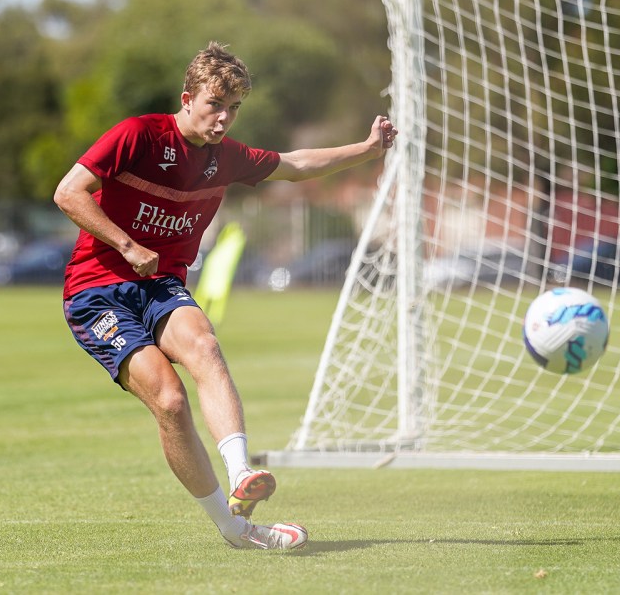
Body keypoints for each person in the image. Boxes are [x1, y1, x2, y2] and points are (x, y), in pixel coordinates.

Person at [53, 41, 398, 546]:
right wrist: (127, 244)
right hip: (95, 292)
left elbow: (296, 163)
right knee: (170, 402)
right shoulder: (138, 136)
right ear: (187, 98)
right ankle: (234, 529)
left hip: (160, 285)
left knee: (205, 345)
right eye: (215, 105)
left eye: (234, 109)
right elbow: (68, 192)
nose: (223, 120)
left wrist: (366, 150)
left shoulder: (227, 159)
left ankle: (241, 476)